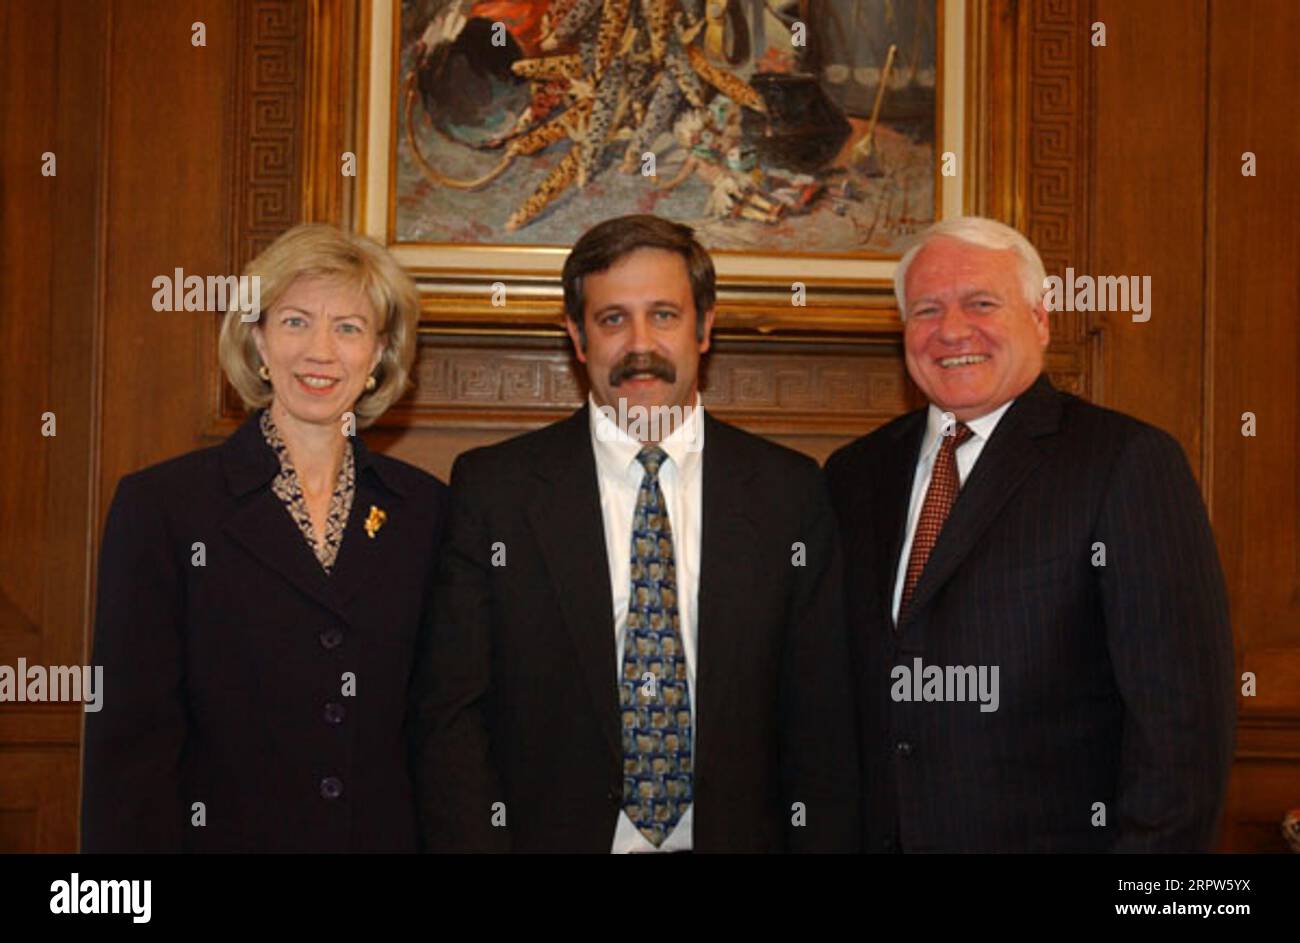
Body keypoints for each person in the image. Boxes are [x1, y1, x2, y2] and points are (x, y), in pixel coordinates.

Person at [417, 213, 858, 852]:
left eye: (664, 315)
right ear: (577, 336)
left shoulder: (789, 492)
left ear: (705, 327)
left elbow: (822, 721)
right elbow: (450, 717)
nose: (640, 345)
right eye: (612, 319)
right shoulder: (497, 490)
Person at [824, 216, 1235, 852]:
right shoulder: (854, 474)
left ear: (1040, 320)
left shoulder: (1124, 462)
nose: (952, 329)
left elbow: (1182, 727)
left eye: (982, 303)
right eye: (927, 309)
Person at [81, 224, 448, 852]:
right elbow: (130, 746)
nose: (321, 352)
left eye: (349, 328)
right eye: (297, 321)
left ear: (379, 356)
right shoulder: (163, 508)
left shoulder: (428, 512)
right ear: (257, 339)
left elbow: (439, 726)